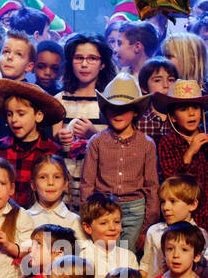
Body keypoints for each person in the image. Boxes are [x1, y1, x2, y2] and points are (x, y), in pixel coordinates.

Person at [79, 75, 160, 255]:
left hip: (134, 210)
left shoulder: (147, 144)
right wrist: (88, 215)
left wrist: (147, 227)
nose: (118, 114)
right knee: (102, 254)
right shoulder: (97, 142)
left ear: (135, 111)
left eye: (124, 109)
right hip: (103, 208)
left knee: (126, 256)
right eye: (113, 109)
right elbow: (87, 183)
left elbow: (152, 187)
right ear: (106, 110)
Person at [54, 34, 116, 205]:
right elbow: (54, 139)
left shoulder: (109, 101)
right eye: (79, 58)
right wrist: (60, 137)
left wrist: (93, 134)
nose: (84, 64)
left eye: (92, 58)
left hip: (98, 180)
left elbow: (117, 143)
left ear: (102, 64)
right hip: (64, 180)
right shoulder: (60, 99)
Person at [0, 79, 65, 208]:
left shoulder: (51, 150)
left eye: (21, 114)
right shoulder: (0, 147)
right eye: (9, 114)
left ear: (38, 116)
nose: (14, 119)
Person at [154, 81, 208, 227]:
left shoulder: (206, 139)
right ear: (173, 117)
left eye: (196, 108)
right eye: (184, 109)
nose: (191, 113)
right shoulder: (168, 142)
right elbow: (172, 182)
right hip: (183, 214)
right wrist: (190, 153)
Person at [141, 176, 207, 278]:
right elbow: (145, 265)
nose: (165, 207)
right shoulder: (154, 231)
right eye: (163, 201)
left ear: (192, 205)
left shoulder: (201, 235)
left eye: (173, 201)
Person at [77, 193, 133, 278]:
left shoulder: (128, 257)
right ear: (88, 227)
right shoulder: (83, 257)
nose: (112, 228)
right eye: (104, 223)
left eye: (116, 222)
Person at [26, 154, 82, 238]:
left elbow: (80, 250)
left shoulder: (74, 221)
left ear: (65, 184)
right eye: (43, 177)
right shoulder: (24, 218)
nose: (50, 182)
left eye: (56, 177)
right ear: (33, 185)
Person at [136, 56, 176, 146]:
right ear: (144, 87)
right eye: (157, 80)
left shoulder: (181, 119)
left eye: (171, 80)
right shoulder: (138, 122)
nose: (166, 85)